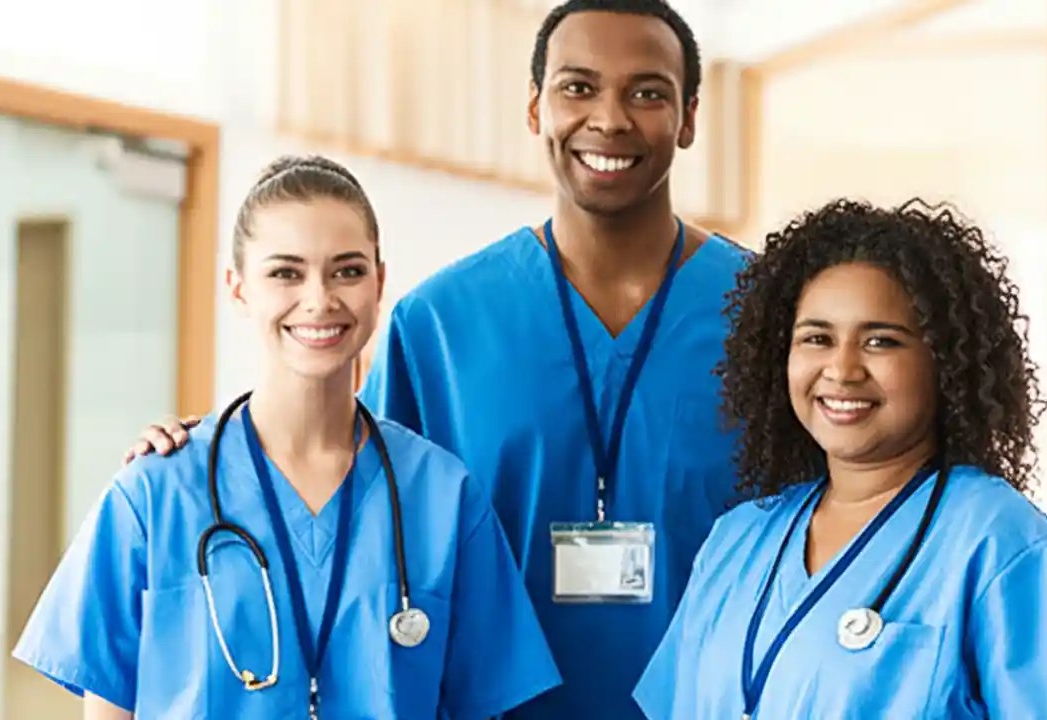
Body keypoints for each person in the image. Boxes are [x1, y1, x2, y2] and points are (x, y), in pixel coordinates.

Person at [122, 1, 749, 717]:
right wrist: (199, 448)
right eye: (578, 87)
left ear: (690, 116)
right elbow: (344, 492)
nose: (609, 118)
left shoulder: (769, 318)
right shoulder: (440, 323)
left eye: (647, 92)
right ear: (534, 109)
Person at [13, 155, 560, 719]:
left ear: (379, 283)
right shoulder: (157, 493)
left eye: (347, 270)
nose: (320, 299)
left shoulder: (443, 497)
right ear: (238, 287)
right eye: (285, 273)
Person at [631, 198, 1047, 718]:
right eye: (817, 338)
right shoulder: (736, 541)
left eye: (880, 341)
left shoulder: (998, 541)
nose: (842, 369)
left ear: (943, 363)